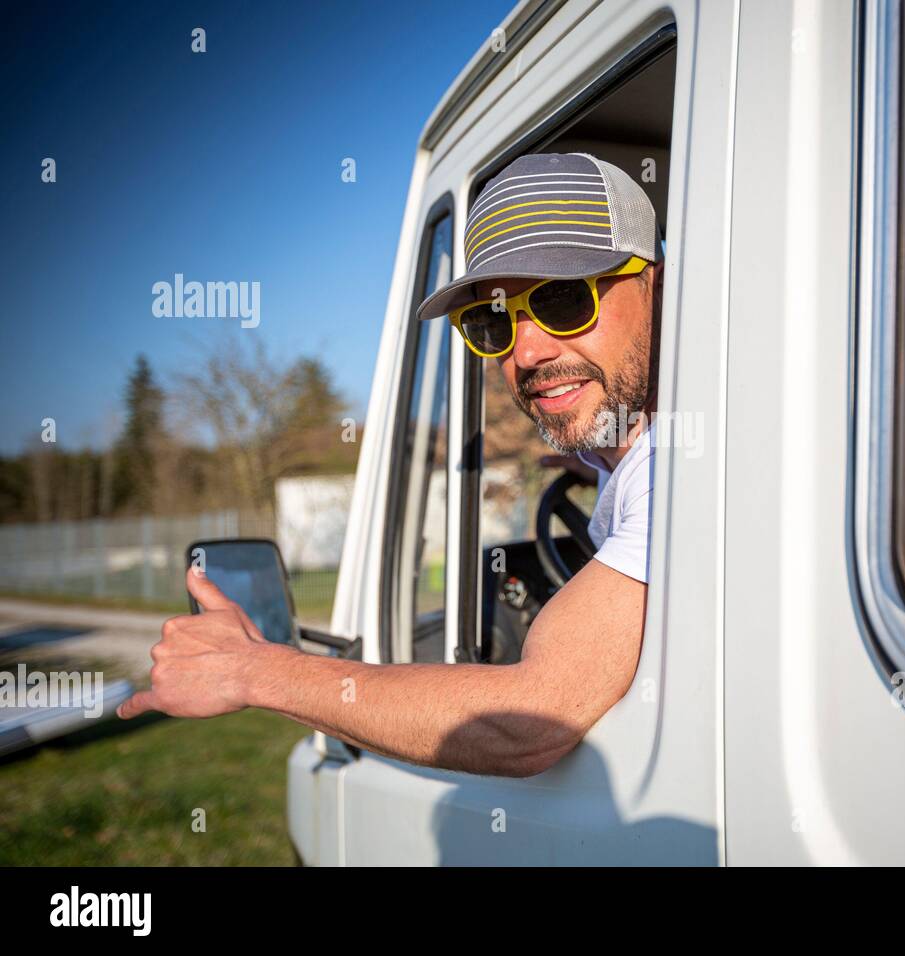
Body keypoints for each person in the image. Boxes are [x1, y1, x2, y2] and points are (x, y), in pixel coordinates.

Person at [118, 153, 664, 777]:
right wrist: (590, 458)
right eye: (492, 322)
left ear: (660, 285)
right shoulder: (639, 444)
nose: (528, 351)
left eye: (565, 300)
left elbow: (532, 719)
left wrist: (251, 668)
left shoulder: (671, 470)